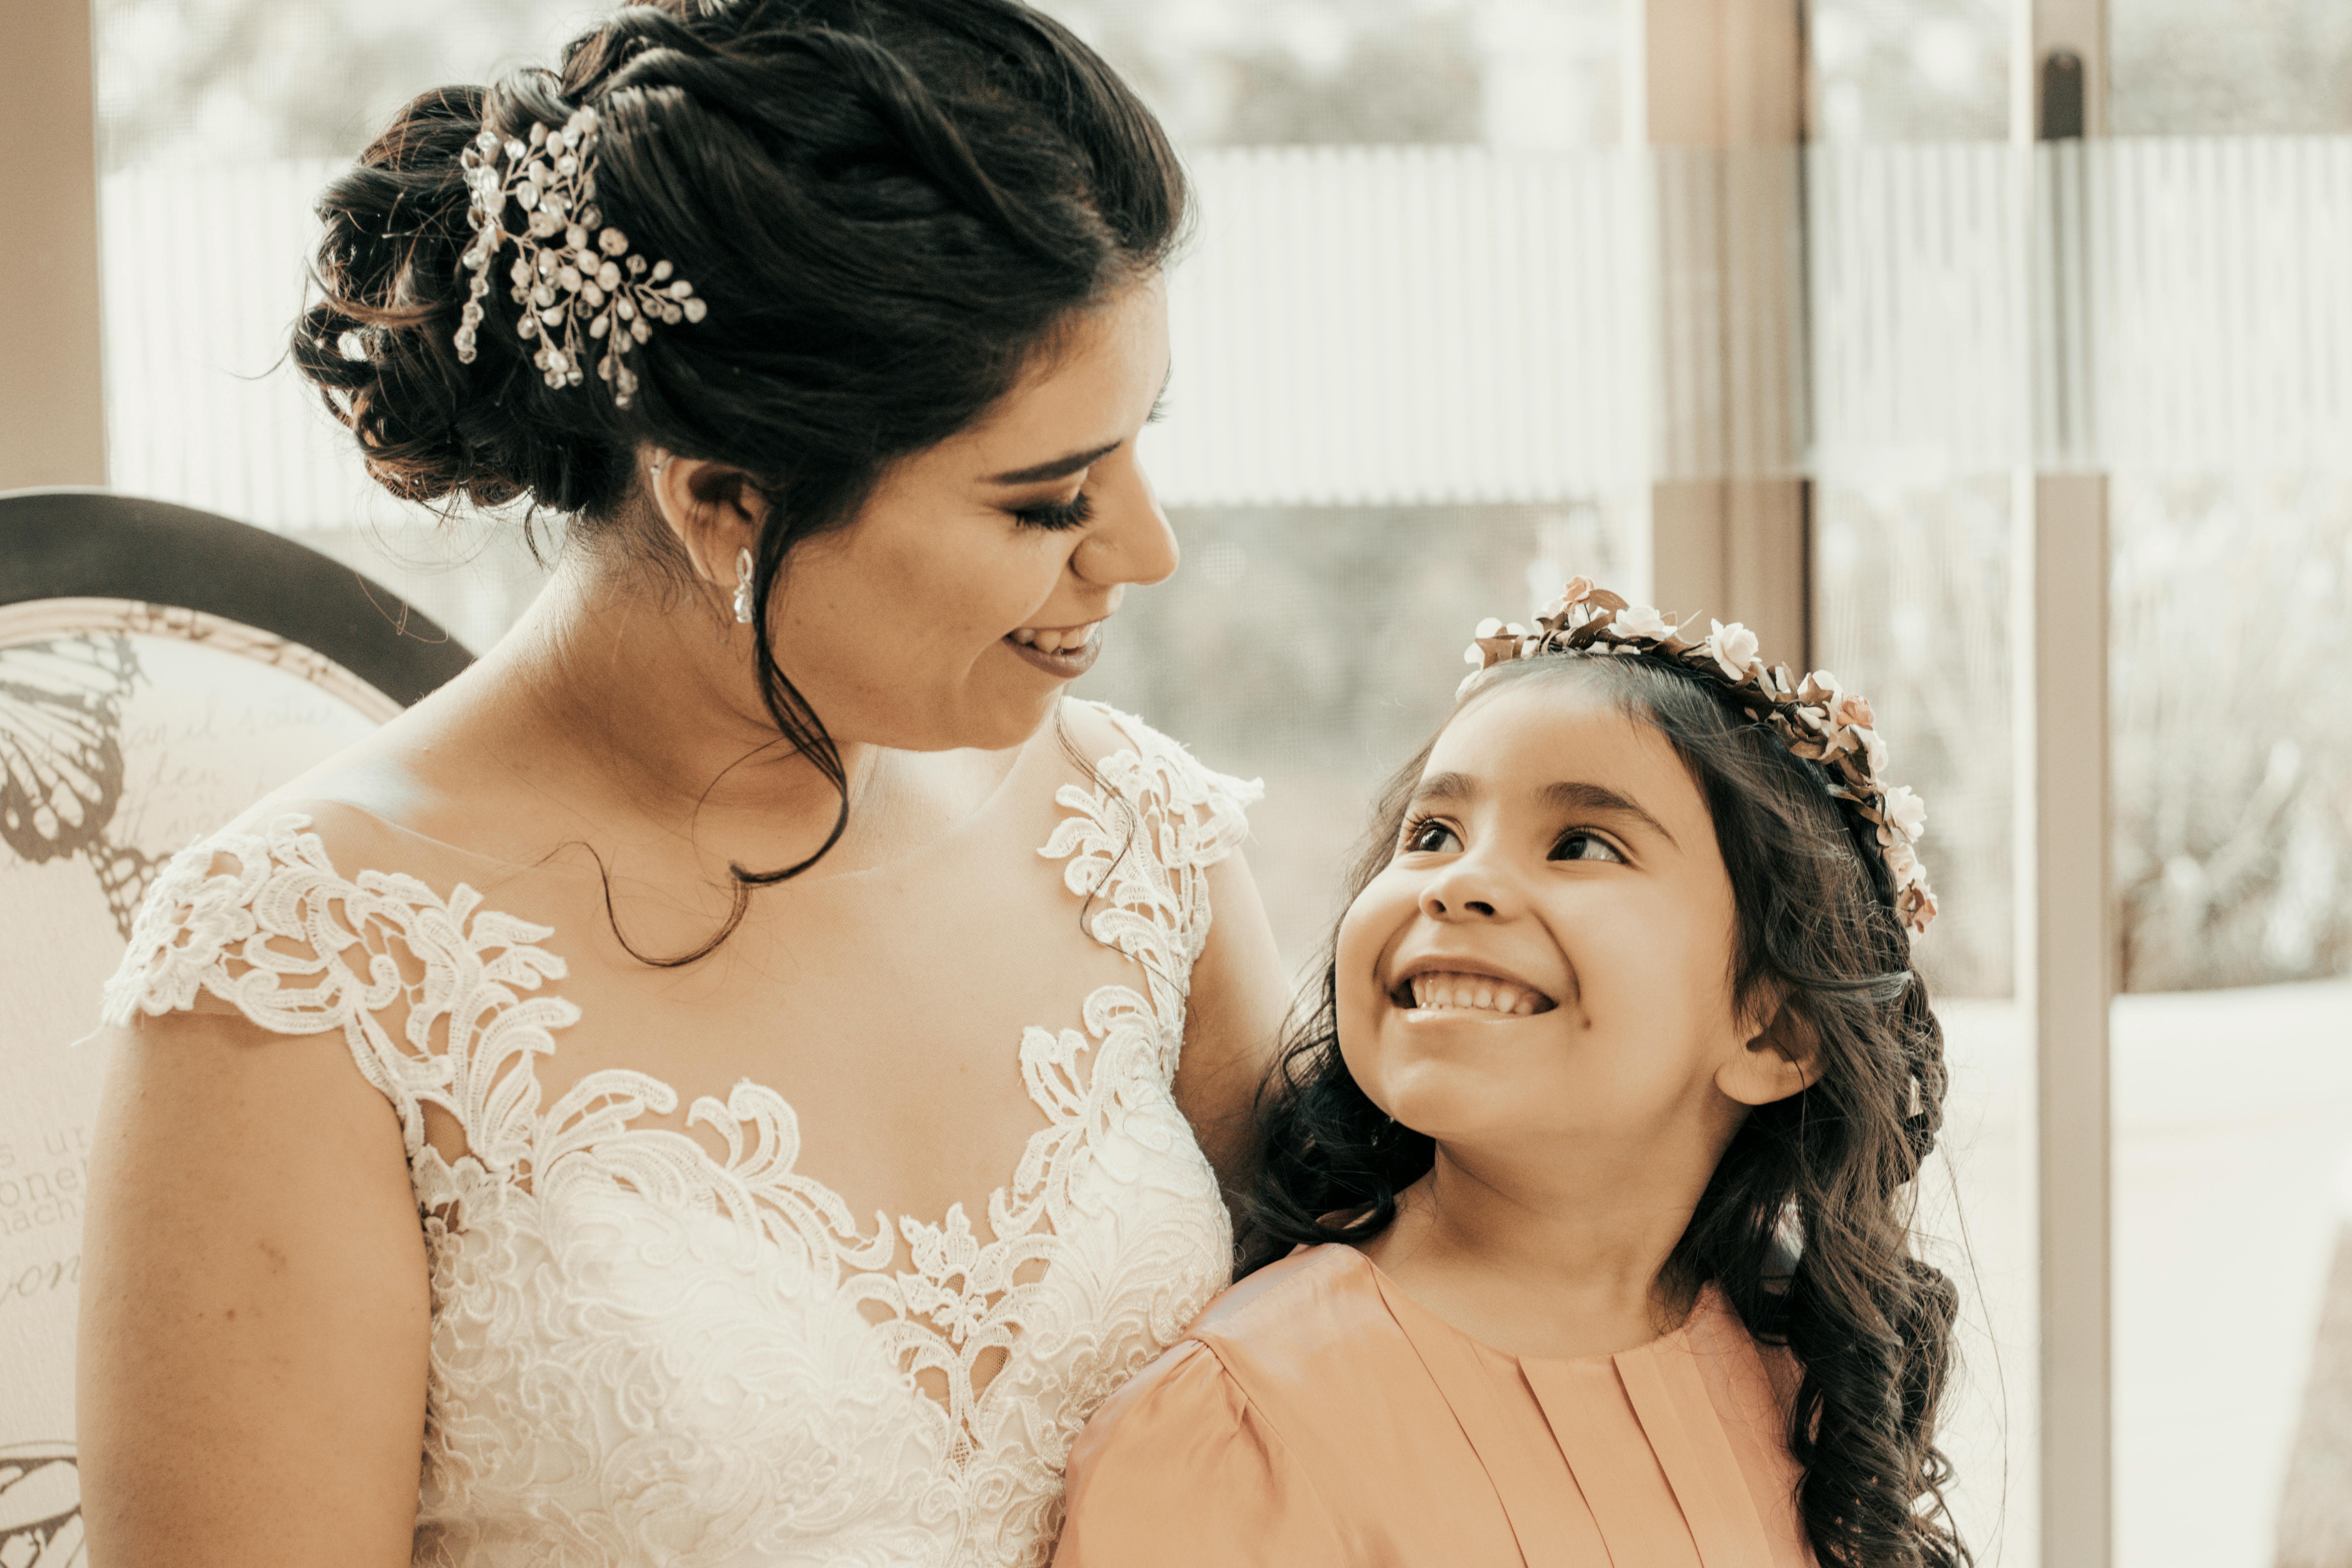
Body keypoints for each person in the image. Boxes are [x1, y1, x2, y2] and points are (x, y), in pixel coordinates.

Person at [73, 4, 1290, 1565]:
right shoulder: (301, 978)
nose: (1147, 552)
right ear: (725, 501)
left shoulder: (1140, 842)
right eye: (1049, 500)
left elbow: (1385, 1378)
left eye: (1134, 449)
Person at [1054, 580, 1965, 1567]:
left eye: (1581, 844)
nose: (1461, 882)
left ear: (1776, 1031)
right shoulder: (1235, 1428)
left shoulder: (1794, 1374)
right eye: (1432, 835)